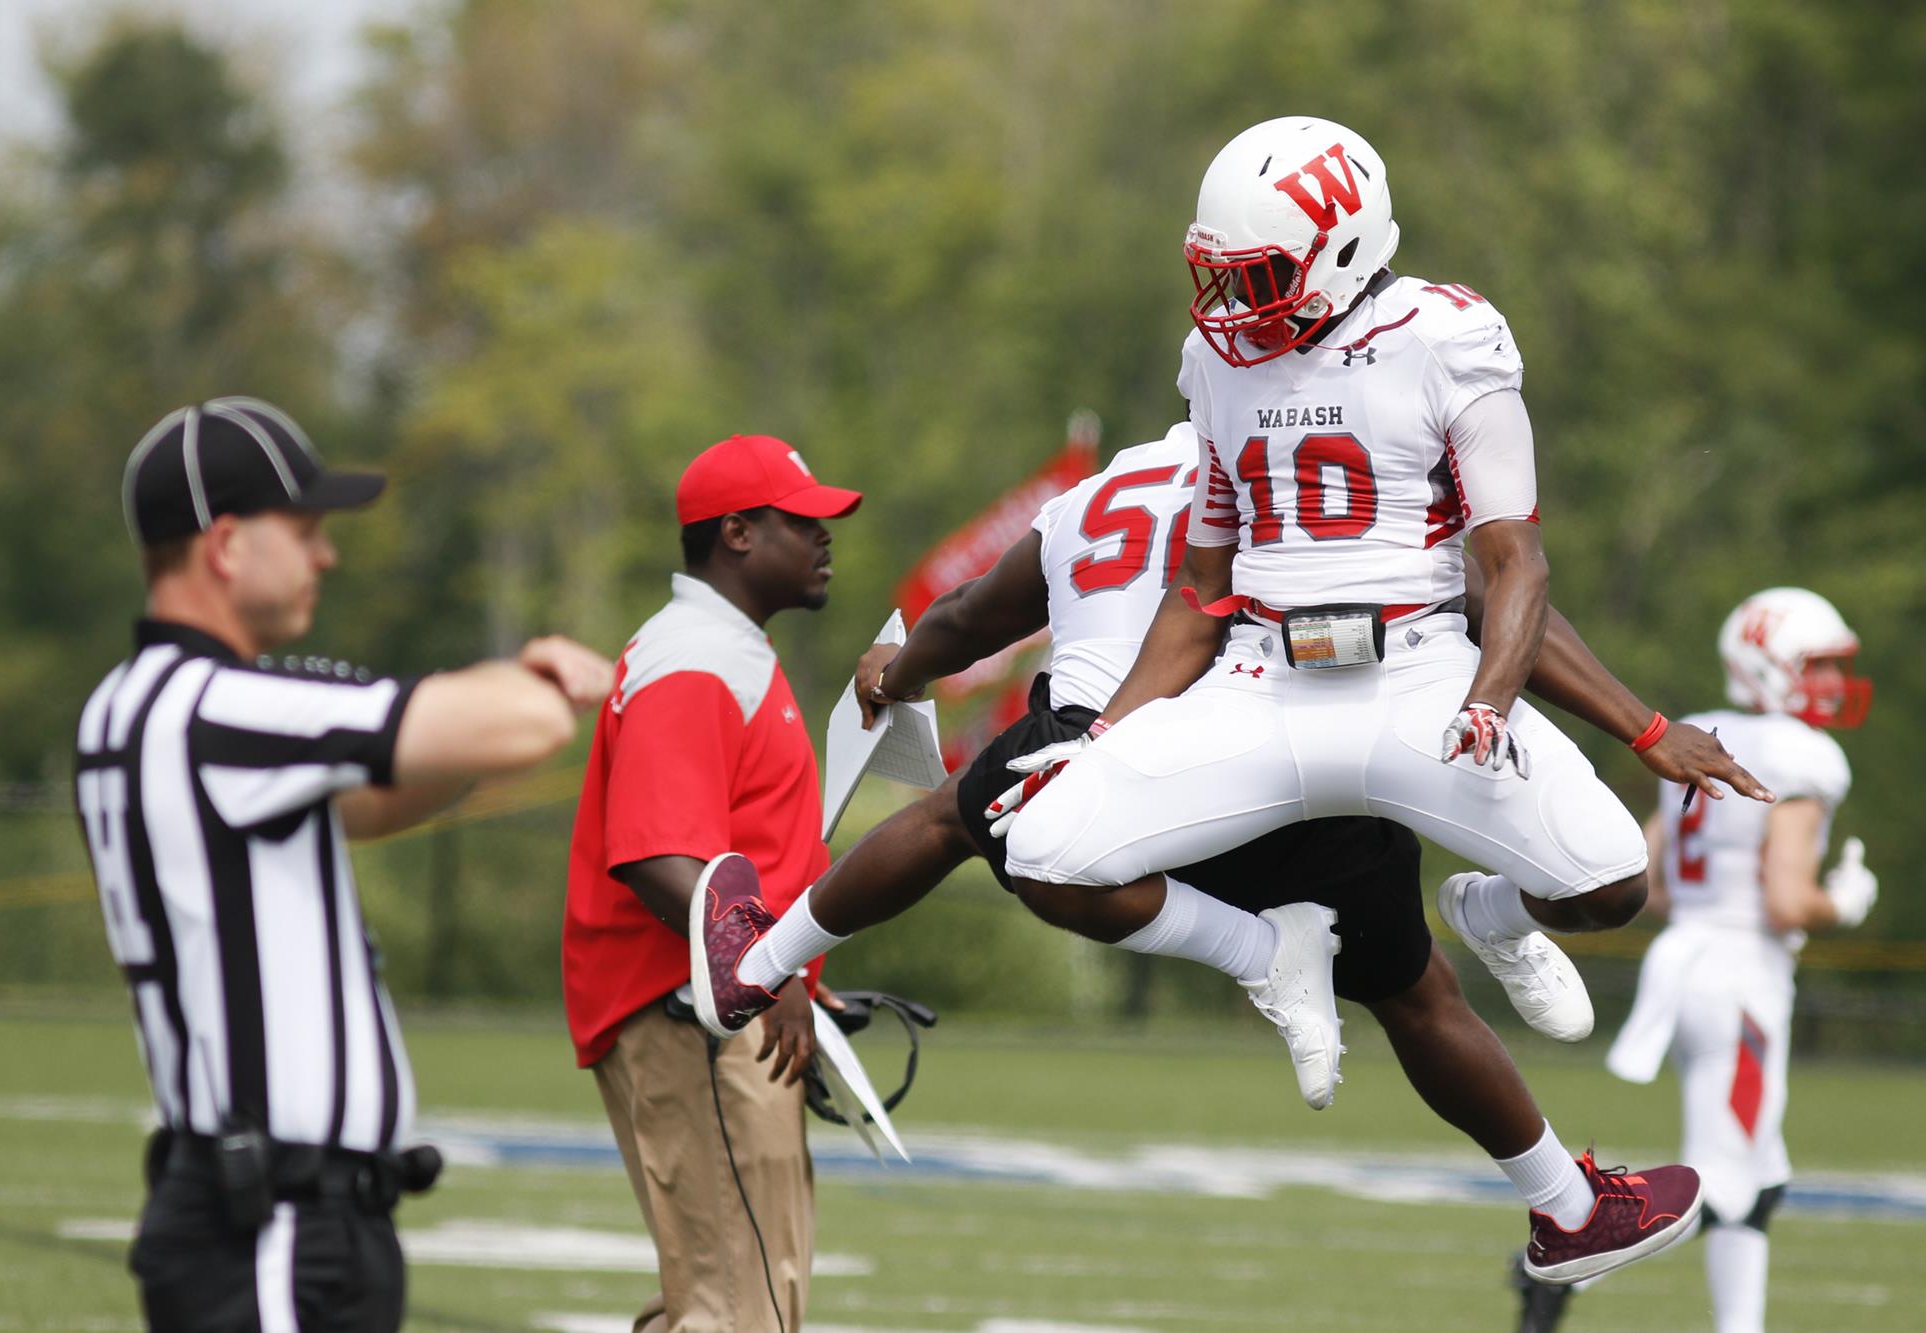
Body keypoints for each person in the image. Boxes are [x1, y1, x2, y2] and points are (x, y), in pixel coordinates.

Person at [693, 419, 1760, 1286]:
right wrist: (1634, 722)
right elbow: (1486, 596)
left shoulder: (1099, 491)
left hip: (1122, 758)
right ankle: (1562, 1204)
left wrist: (895, 672)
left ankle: (763, 958)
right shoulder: (1306, 469)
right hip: (1267, 752)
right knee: (1418, 992)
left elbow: (971, 615)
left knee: (960, 822)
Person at [986, 115, 1702, 1284]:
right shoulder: (1216, 359)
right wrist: (1100, 734)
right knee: (1043, 848)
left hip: (1418, 675)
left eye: (1255, 273)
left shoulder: (1446, 334)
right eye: (1217, 273)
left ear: (1342, 247)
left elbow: (1511, 560)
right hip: (1262, 683)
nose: (1229, 302)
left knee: (1608, 881)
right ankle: (1263, 953)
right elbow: (1201, 587)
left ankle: (1492, 913)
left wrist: (1490, 698)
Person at [76, 397, 613, 1332]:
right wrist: (540, 673)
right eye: (305, 530)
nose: (325, 555)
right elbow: (520, 725)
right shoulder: (220, 707)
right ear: (226, 544)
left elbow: (371, 802)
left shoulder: (135, 704)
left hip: (283, 1211)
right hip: (273, 1218)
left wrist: (469, 730)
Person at [1504, 589, 1878, 1333]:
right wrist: (1843, 901)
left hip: (1687, 967)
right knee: (1732, 1180)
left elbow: (1646, 872)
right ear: (1768, 665)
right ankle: (1572, 1254)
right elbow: (1786, 900)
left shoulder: (1705, 734)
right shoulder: (1804, 756)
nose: (1834, 682)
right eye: (1818, 665)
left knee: (1760, 1175)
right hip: (1742, 979)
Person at [562, 433, 862, 1333]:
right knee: (739, 1312)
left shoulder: (723, 647)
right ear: (736, 532)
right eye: (802, 520)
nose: (824, 537)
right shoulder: (694, 656)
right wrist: (767, 972)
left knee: (727, 1301)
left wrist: (798, 974)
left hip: (708, 1011)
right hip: (687, 1013)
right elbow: (656, 854)